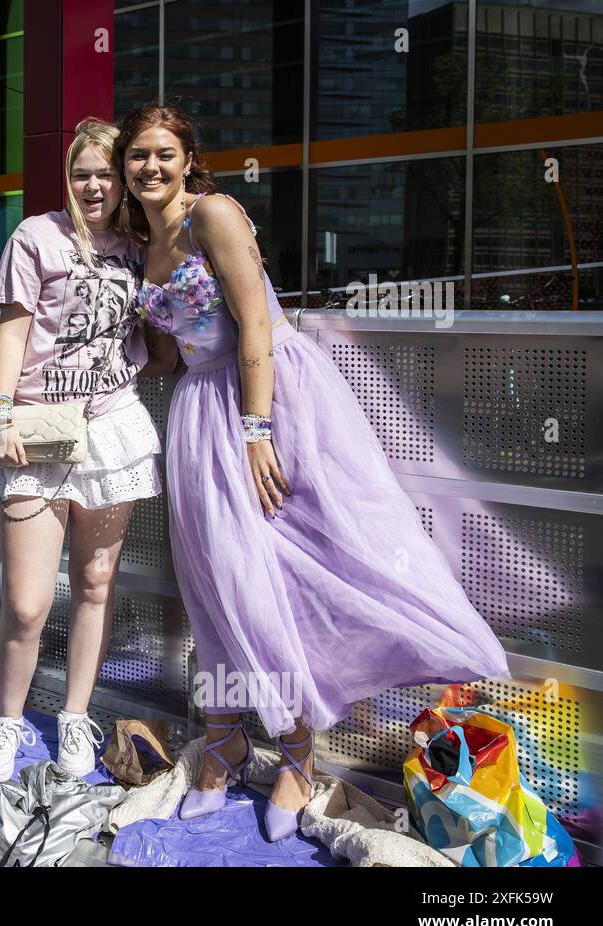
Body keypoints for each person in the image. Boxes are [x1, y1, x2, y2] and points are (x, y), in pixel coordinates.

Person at [118, 102, 510, 840]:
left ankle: (299, 754)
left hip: (269, 403)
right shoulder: (146, 245)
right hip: (198, 412)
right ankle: (226, 739)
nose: (150, 167)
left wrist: (257, 429)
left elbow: (257, 325)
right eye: (138, 156)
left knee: (287, 583)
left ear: (187, 157)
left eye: (163, 153)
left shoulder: (215, 214)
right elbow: (171, 356)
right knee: (218, 583)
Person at [0, 119, 171, 785]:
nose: (94, 183)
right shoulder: (35, 236)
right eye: (82, 171)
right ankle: (7, 718)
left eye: (105, 172)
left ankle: (75, 719)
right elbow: (13, 334)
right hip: (39, 430)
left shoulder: (140, 248)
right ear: (68, 177)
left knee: (93, 585)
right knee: (27, 604)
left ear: (122, 181)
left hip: (112, 428)